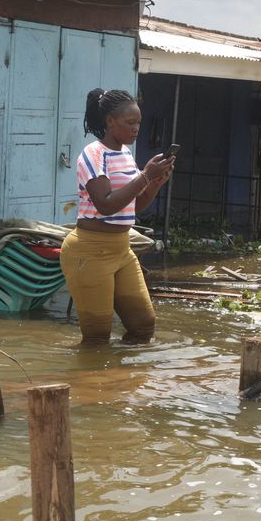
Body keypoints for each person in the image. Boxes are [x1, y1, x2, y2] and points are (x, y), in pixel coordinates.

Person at [60, 89, 175, 344]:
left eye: (138, 123)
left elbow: (134, 206)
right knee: (97, 336)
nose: (136, 129)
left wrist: (155, 182)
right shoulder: (93, 154)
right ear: (111, 121)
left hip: (122, 250)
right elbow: (106, 205)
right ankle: (90, 382)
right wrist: (145, 175)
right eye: (130, 123)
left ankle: (123, 382)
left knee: (144, 326)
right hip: (89, 251)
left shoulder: (125, 155)